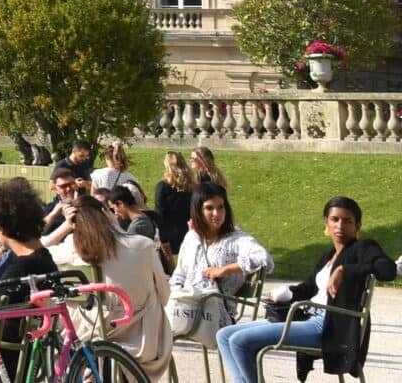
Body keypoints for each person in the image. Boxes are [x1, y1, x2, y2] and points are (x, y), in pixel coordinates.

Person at [216, 196, 395, 383]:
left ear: (357, 226)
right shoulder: (329, 255)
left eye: (347, 221)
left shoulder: (363, 247)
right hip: (306, 317)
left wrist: (345, 270)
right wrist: (284, 293)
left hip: (328, 326)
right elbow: (308, 288)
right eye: (334, 219)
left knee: (240, 341)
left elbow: (388, 270)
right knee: (224, 335)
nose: (340, 225)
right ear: (326, 224)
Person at [51, 193, 171, 378]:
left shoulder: (69, 251)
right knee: (155, 296)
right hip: (140, 341)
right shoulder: (142, 246)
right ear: (106, 213)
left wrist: (65, 227)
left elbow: (37, 249)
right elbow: (165, 295)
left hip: (87, 336)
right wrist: (117, 228)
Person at [167, 184, 272, 341]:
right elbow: (179, 275)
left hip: (217, 317)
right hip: (185, 310)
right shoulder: (191, 237)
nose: (216, 214)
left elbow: (264, 259)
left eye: (221, 207)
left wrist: (226, 269)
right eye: (209, 208)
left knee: (159, 332)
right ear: (198, 211)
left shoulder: (236, 239)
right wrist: (175, 295)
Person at [153, 152, 193, 259]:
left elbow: (159, 213)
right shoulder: (192, 187)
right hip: (188, 231)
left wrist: (161, 238)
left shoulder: (163, 186)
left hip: (168, 233)